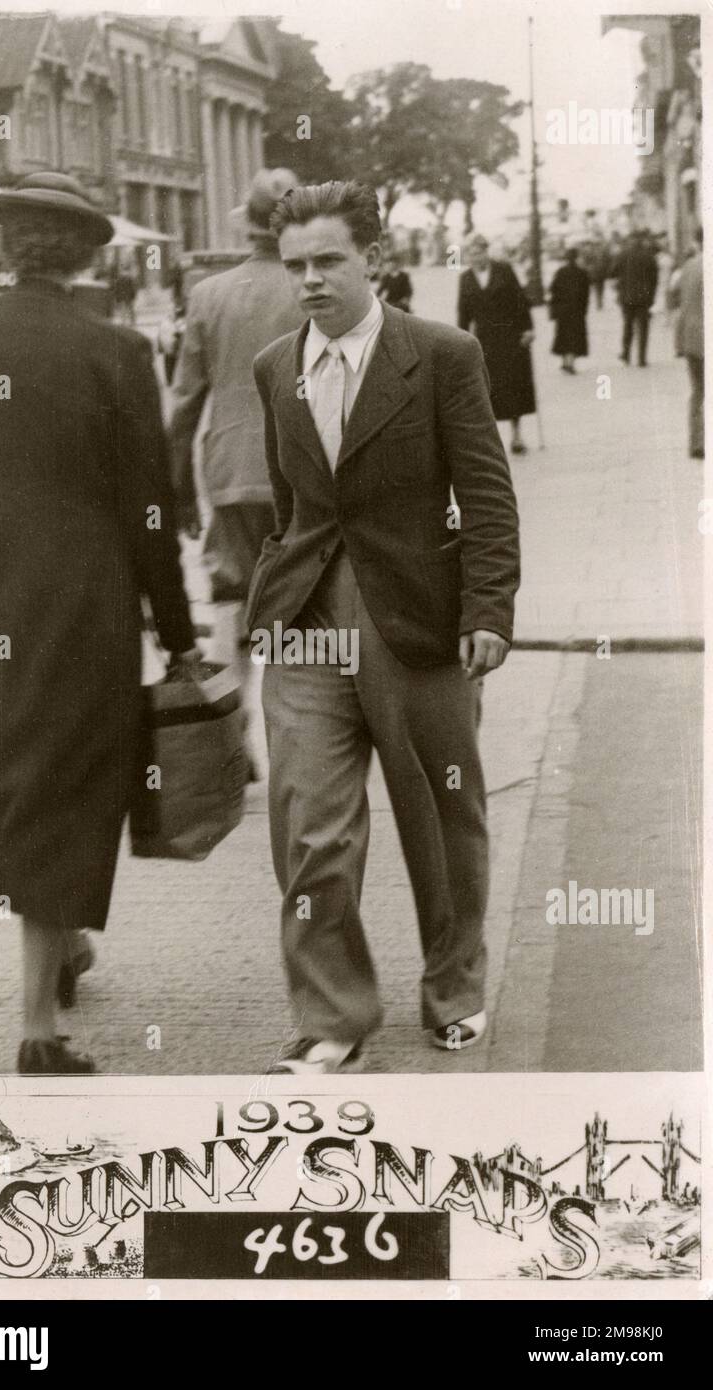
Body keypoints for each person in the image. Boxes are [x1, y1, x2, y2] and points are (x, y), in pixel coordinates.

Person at [0, 172, 198, 1075]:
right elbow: (150, 507)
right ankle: (39, 1025)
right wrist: (179, 629)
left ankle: (60, 946)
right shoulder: (115, 353)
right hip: (78, 590)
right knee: (65, 774)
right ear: (85, 254)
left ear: (4, 246)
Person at [249, 181, 520, 1074]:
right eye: (296, 267)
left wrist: (487, 607)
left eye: (329, 261)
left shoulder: (441, 355)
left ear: (373, 258)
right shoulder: (273, 367)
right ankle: (332, 1016)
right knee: (310, 822)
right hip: (307, 625)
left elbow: (484, 489)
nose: (311, 282)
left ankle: (453, 989)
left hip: (416, 619)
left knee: (441, 814)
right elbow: (291, 506)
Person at [169, 169, 304, 708]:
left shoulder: (207, 295)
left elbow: (184, 404)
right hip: (305, 474)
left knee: (229, 593)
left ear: (247, 229)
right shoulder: (315, 290)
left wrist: (177, 486)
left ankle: (229, 730)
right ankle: (298, 732)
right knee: (304, 601)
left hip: (229, 471)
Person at [457, 232, 536, 454]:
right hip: (484, 341)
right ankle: (491, 441)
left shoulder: (504, 270)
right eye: (471, 254)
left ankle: (517, 435)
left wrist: (528, 329)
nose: (476, 257)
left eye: (479, 252)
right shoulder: (465, 279)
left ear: (486, 251)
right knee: (486, 389)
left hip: (509, 337)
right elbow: (463, 314)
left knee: (512, 386)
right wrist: (460, 342)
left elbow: (520, 301)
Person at [676, 227, 704, 459]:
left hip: (691, 338)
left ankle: (697, 442)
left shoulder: (688, 267)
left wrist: (679, 341)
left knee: (698, 391)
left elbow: (682, 305)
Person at [615, 229, 659, 367]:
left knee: (628, 326)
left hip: (627, 298)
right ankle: (642, 358)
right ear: (641, 241)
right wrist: (652, 296)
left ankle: (626, 354)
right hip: (644, 298)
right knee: (643, 328)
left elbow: (612, 272)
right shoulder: (649, 256)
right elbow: (654, 279)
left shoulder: (623, 255)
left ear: (630, 241)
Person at [548, 246, 590, 373]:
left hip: (562, 310)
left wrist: (554, 308)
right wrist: (584, 309)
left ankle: (565, 362)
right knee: (574, 337)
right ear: (576, 258)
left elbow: (553, 290)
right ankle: (570, 364)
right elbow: (585, 294)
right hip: (576, 310)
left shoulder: (560, 272)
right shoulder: (582, 273)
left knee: (563, 336)